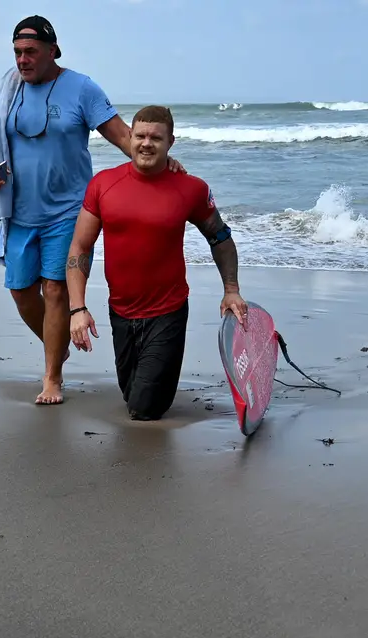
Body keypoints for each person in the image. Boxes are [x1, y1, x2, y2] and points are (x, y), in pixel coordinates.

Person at [0, 15, 182, 406]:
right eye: (18, 52)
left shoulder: (82, 88)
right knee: (22, 293)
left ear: (52, 51)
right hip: (18, 212)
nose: (22, 60)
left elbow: (125, 136)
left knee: (54, 290)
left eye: (31, 52)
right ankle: (57, 344)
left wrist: (160, 162)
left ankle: (52, 377)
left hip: (68, 211)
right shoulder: (8, 90)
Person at [65, 105, 248, 421]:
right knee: (130, 396)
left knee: (144, 409)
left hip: (168, 312)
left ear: (170, 143)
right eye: (140, 136)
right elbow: (80, 247)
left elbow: (221, 237)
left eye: (156, 138)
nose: (146, 143)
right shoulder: (103, 184)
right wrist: (77, 309)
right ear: (131, 137)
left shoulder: (191, 189)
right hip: (120, 310)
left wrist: (231, 289)